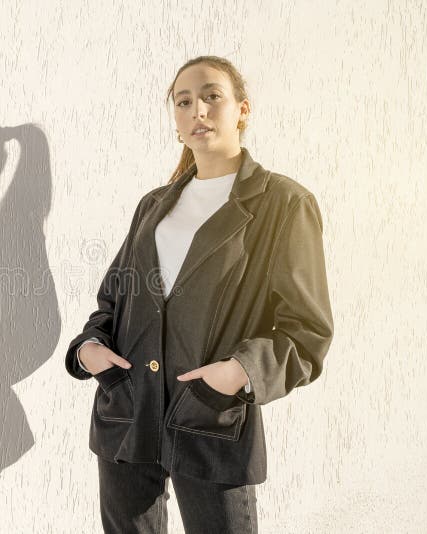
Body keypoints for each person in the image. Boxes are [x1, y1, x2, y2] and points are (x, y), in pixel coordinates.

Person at [65, 55, 334, 533]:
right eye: (184, 101)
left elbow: (306, 332)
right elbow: (113, 300)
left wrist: (239, 372)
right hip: (128, 414)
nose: (198, 111)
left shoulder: (283, 204)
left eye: (212, 97)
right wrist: (89, 349)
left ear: (242, 110)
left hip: (209, 419)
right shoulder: (154, 205)